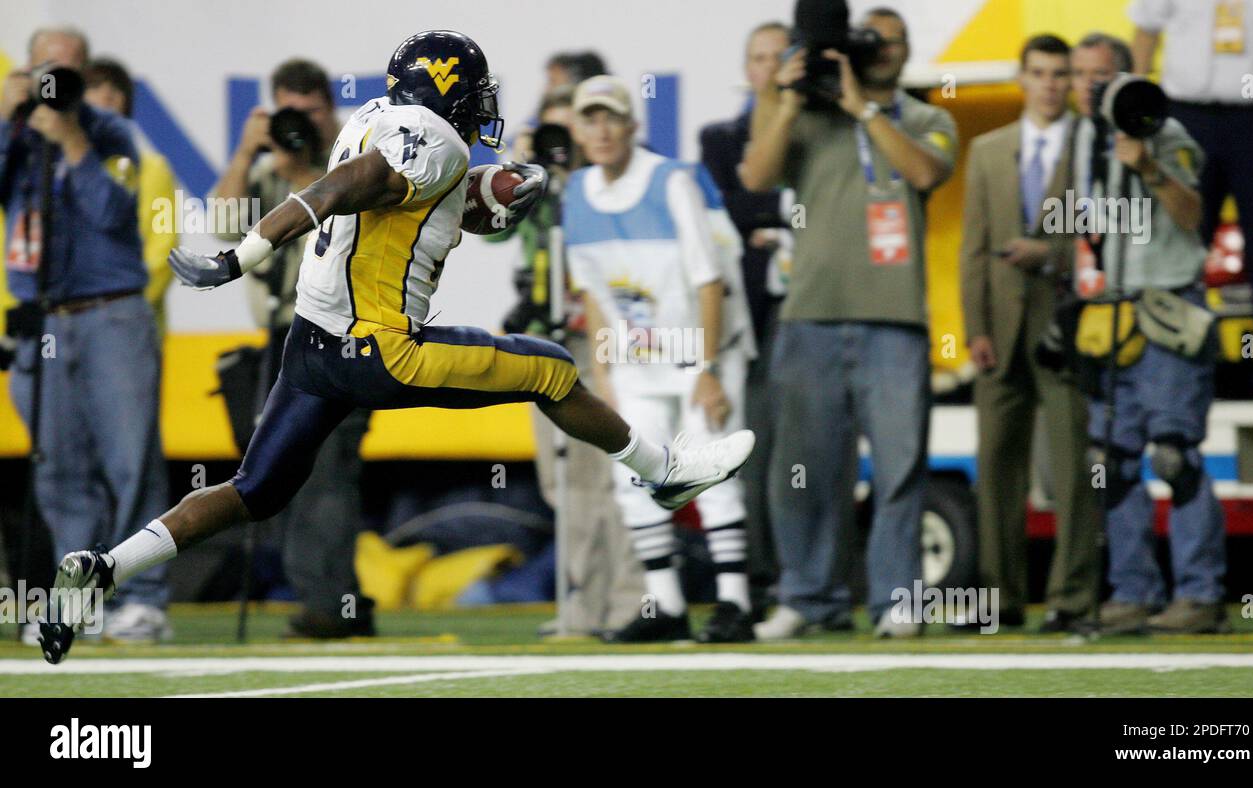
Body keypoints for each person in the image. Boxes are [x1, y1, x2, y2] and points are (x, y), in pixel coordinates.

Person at [38, 30, 754, 664]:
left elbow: (412, 200)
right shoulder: (431, 137)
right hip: (381, 349)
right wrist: (245, 255)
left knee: (254, 490)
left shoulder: (381, 118)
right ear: (447, 90)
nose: (481, 105)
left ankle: (103, 568)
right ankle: (662, 470)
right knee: (552, 369)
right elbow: (358, 182)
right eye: (473, 92)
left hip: (312, 342)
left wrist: (491, 193)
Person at [741, 7, 956, 639]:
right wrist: (782, 102)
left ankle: (896, 601)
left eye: (892, 42)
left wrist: (864, 108)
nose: (881, 50)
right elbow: (756, 176)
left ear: (907, 51)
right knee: (802, 467)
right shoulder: (804, 110)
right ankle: (808, 598)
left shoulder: (928, 118)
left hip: (895, 317)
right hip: (810, 314)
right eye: (870, 41)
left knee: (900, 467)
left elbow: (923, 173)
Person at [564, 75, 758, 643]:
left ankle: (734, 606)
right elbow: (595, 295)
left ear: (632, 126)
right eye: (589, 119)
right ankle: (665, 606)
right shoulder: (576, 194)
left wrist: (707, 370)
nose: (600, 131)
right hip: (636, 356)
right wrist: (605, 374)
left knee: (712, 467)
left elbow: (710, 279)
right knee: (637, 475)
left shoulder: (672, 182)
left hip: (701, 347)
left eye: (610, 118)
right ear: (577, 129)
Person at [1, 26, 172, 643]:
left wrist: (71, 138)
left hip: (112, 315)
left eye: (67, 68)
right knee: (58, 467)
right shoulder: (17, 134)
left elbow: (109, 213)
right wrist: (8, 117)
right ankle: (78, 600)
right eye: (44, 67)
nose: (54, 79)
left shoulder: (110, 134)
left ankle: (144, 599)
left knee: (130, 461)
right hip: (43, 319)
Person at [211, 58, 373, 639]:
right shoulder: (265, 172)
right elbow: (224, 227)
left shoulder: (352, 162)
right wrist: (245, 153)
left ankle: (332, 607)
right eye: (288, 114)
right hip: (281, 337)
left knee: (328, 472)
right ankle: (328, 598)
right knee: (279, 470)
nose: (299, 125)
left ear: (329, 110)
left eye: (310, 113)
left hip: (344, 333)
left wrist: (315, 160)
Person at [1070, 33, 1227, 634]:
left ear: (1128, 78)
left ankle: (1201, 595)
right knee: (1110, 460)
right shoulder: (1085, 136)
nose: (1089, 85)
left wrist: (1150, 166)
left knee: (1174, 455)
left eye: (1101, 75)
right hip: (1112, 309)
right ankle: (1132, 592)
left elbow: (1195, 218)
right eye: (1081, 74)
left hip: (1167, 306)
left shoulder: (1168, 132)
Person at [493, 85, 649, 637]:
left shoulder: (611, 191)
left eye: (571, 131)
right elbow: (489, 230)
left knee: (609, 480)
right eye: (555, 132)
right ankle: (584, 607)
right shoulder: (541, 191)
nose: (564, 145)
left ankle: (626, 608)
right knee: (564, 485)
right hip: (545, 345)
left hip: (601, 345)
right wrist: (518, 170)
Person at [960, 34, 1101, 632]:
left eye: (1059, 74)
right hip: (999, 332)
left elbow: (1106, 241)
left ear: (1070, 81)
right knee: (995, 472)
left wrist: (1049, 253)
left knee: (1071, 473)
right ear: (1020, 78)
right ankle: (999, 599)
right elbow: (972, 249)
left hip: (1066, 329)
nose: (1048, 83)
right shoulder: (989, 150)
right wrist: (974, 330)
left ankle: (1072, 601)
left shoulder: (1093, 148)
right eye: (1038, 72)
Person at [1130, 0, 1253, 399]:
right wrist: (1135, 111)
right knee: (1178, 247)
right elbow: (1145, 30)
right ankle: (1169, 366)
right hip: (1188, 117)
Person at [698, 20, 793, 618]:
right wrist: (782, 215)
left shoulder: (819, 130)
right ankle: (758, 584)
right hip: (750, 320)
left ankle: (811, 584)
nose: (769, 67)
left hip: (811, 308)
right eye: (759, 57)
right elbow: (732, 210)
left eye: (780, 56)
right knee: (752, 448)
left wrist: (773, 220)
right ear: (747, 67)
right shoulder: (718, 139)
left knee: (806, 455)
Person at [81, 58, 177, 338]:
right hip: (68, 327)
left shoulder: (151, 169)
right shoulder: (60, 170)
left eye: (117, 88)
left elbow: (163, 249)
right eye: (95, 86)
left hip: (132, 327)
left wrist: (122, 309)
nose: (107, 94)